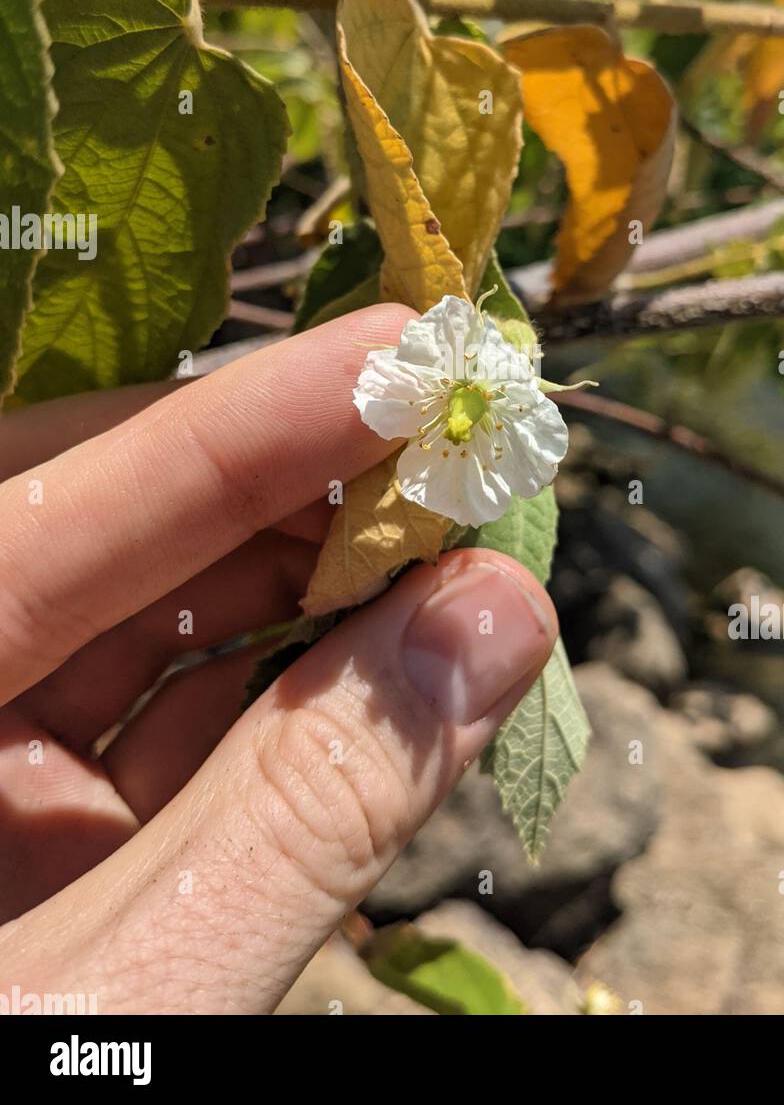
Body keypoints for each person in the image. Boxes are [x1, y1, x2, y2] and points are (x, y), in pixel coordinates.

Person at [0, 304, 557, 1013]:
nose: (456, 420)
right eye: (457, 404)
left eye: (465, 408)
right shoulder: (427, 399)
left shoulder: (484, 427)